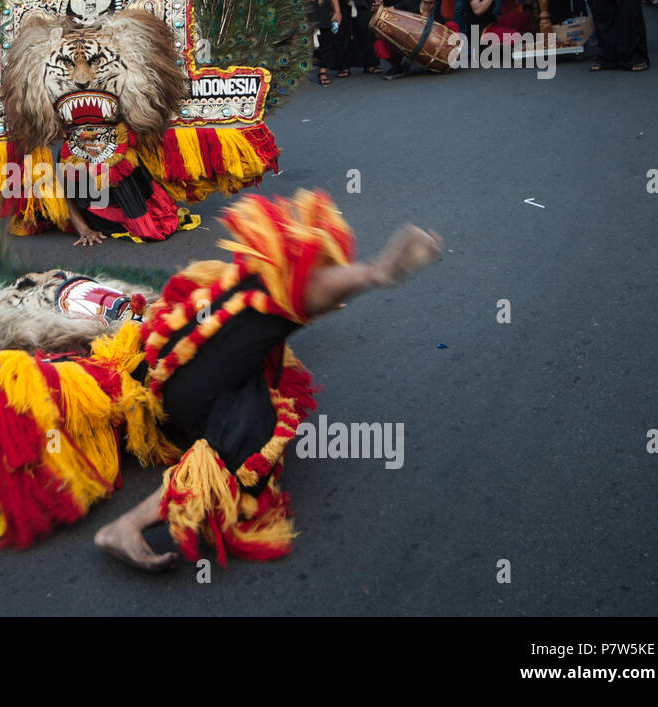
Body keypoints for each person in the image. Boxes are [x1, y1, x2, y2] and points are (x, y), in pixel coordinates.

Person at [93, 199, 444, 572]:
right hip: (183, 386)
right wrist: (374, 274)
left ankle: (128, 524)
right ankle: (126, 525)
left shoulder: (236, 286)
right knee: (254, 430)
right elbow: (300, 292)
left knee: (256, 410)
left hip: (176, 375)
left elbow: (301, 294)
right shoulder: (264, 294)